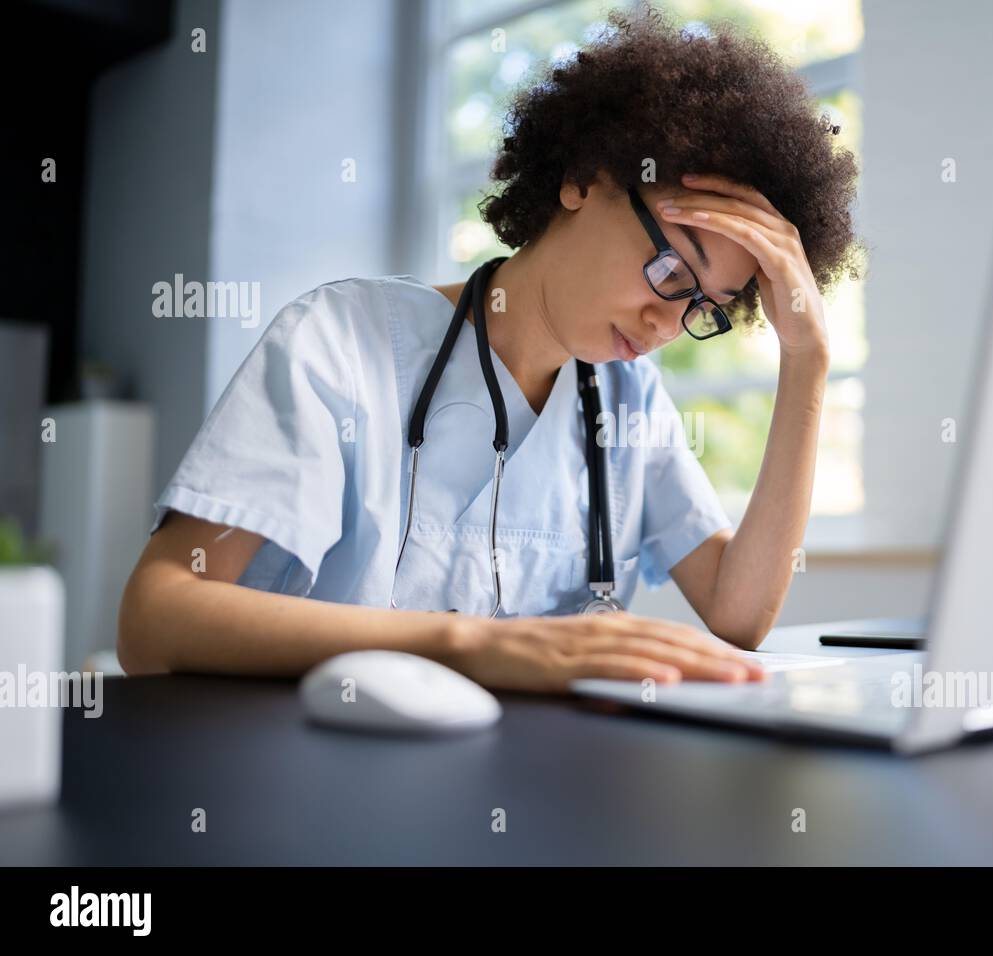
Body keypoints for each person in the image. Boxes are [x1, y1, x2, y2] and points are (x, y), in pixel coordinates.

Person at [118, 7, 863, 692]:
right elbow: (154, 622)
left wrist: (808, 359)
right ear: (583, 181)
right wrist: (467, 644)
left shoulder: (625, 403)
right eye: (672, 270)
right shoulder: (340, 341)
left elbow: (739, 613)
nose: (669, 325)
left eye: (704, 307)